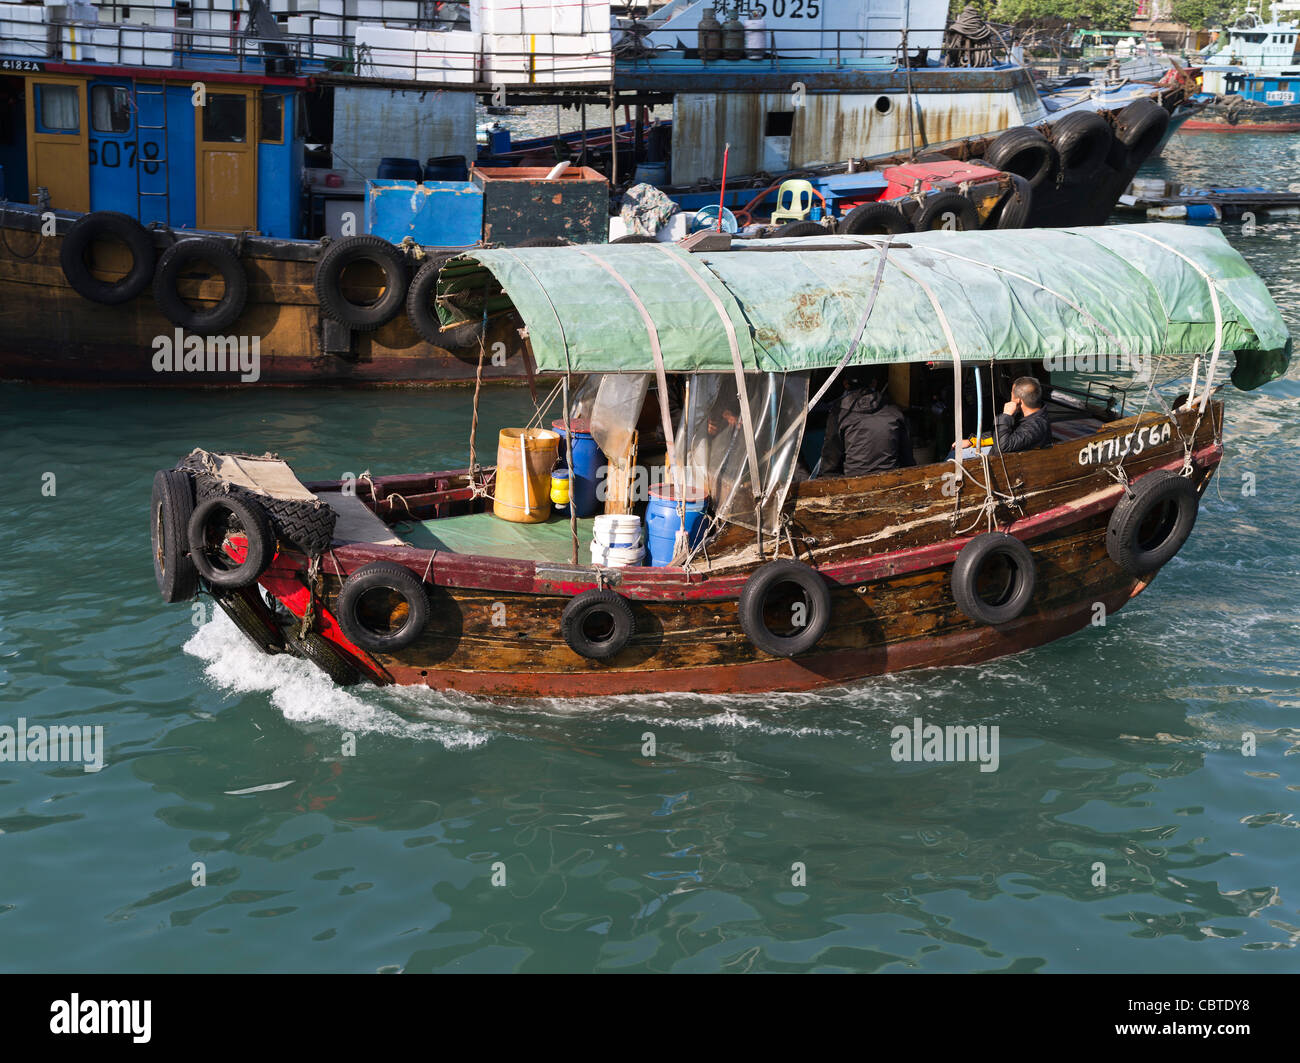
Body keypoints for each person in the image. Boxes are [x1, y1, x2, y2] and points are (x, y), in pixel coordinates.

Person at [818, 369, 914, 477]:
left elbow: (829, 466)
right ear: (874, 383)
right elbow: (908, 461)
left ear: (845, 384)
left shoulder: (839, 415)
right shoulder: (894, 411)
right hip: (890, 483)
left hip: (854, 486)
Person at [995, 376, 1052, 453]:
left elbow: (1002, 446)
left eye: (1012, 394)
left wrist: (1006, 415)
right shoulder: (1027, 416)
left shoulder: (1035, 427)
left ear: (1018, 400)